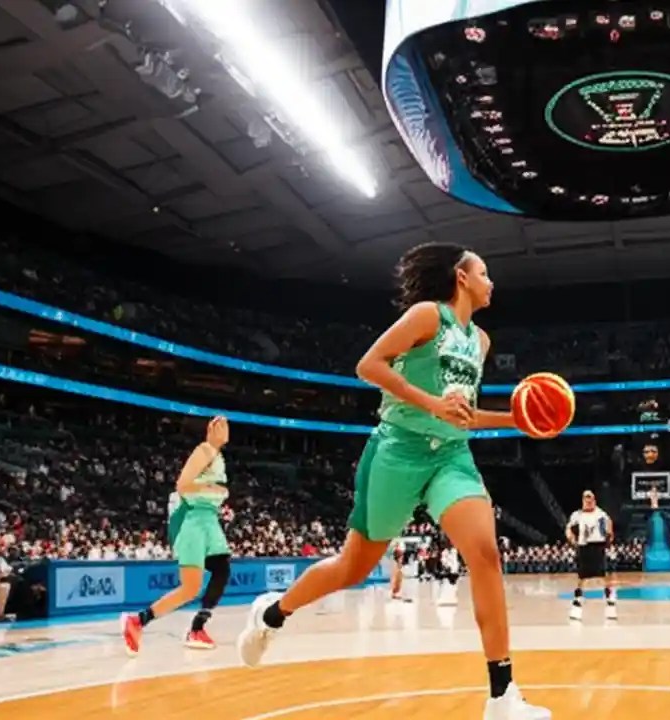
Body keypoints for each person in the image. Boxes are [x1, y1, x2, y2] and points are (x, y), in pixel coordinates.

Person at [234, 243, 550, 720]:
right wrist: (431, 404)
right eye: (484, 272)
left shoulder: (480, 342)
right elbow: (369, 366)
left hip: (451, 457)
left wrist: (516, 420)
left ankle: (502, 696)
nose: (492, 281)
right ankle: (273, 613)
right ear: (461, 278)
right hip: (397, 450)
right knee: (353, 568)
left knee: (485, 552)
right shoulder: (428, 316)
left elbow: (460, 417)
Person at [123, 416, 233, 654]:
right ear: (210, 430)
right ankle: (139, 621)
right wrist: (214, 489)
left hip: (209, 520)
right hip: (193, 520)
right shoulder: (205, 450)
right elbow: (183, 485)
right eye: (220, 425)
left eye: (227, 426)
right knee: (190, 588)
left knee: (221, 570)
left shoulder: (219, 457)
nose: (225, 430)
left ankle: (196, 627)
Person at [566, 490, 616, 621]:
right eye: (585, 498)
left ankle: (610, 602)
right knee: (581, 577)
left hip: (598, 545)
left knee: (603, 575)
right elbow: (569, 528)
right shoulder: (577, 515)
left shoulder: (601, 514)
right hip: (583, 546)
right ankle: (577, 603)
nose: (588, 501)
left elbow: (609, 526)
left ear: (594, 500)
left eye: (590, 498)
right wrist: (571, 539)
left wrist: (609, 538)